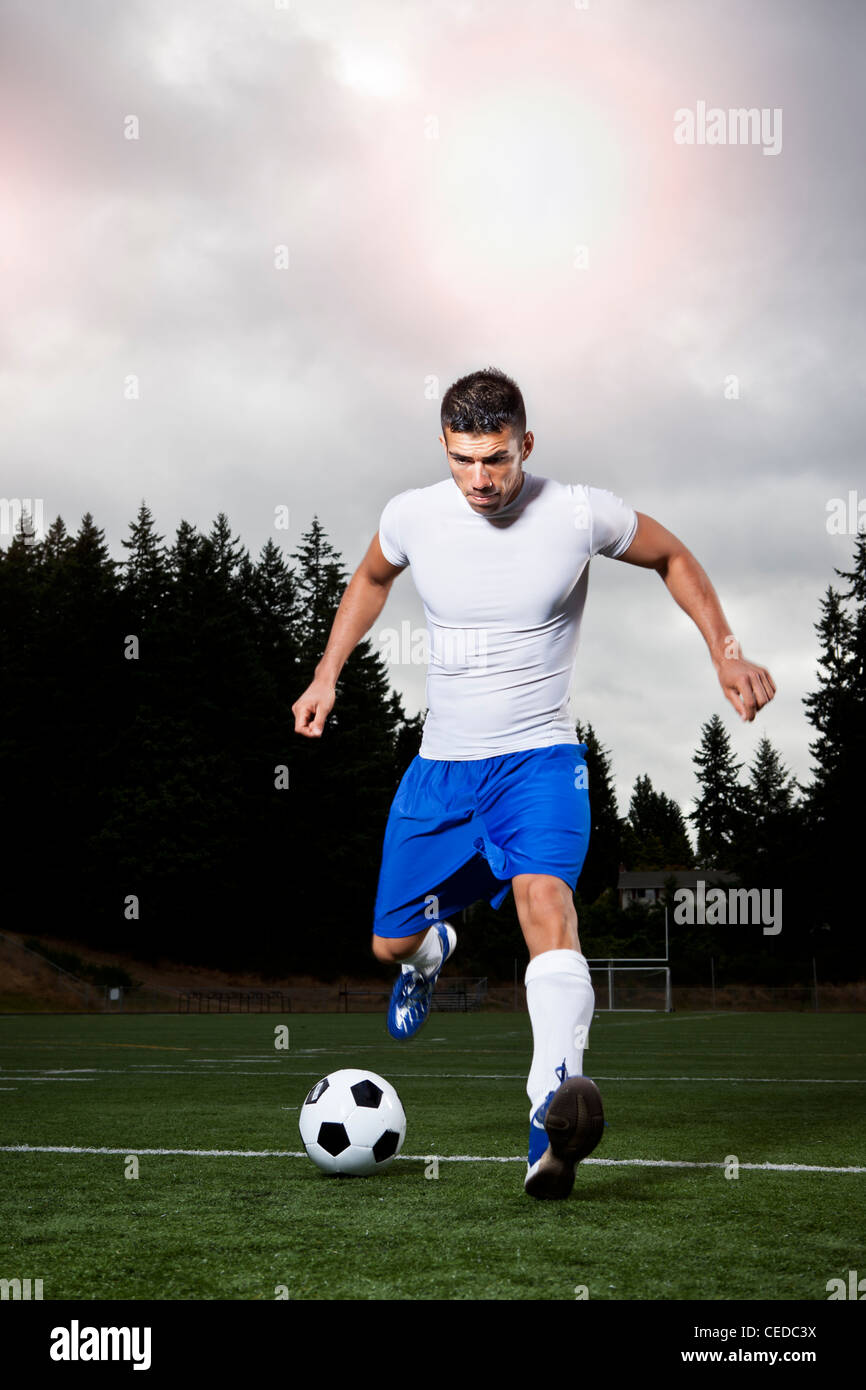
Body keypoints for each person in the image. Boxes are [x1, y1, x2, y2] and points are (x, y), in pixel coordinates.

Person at [292, 366, 776, 1200]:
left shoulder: (580, 512)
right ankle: (433, 949)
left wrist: (725, 652)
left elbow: (673, 555)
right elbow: (372, 579)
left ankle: (552, 1115)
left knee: (545, 904)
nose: (479, 480)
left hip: (540, 761)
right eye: (461, 460)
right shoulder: (412, 515)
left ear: (526, 444)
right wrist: (328, 672)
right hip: (442, 770)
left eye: (496, 459)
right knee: (389, 943)